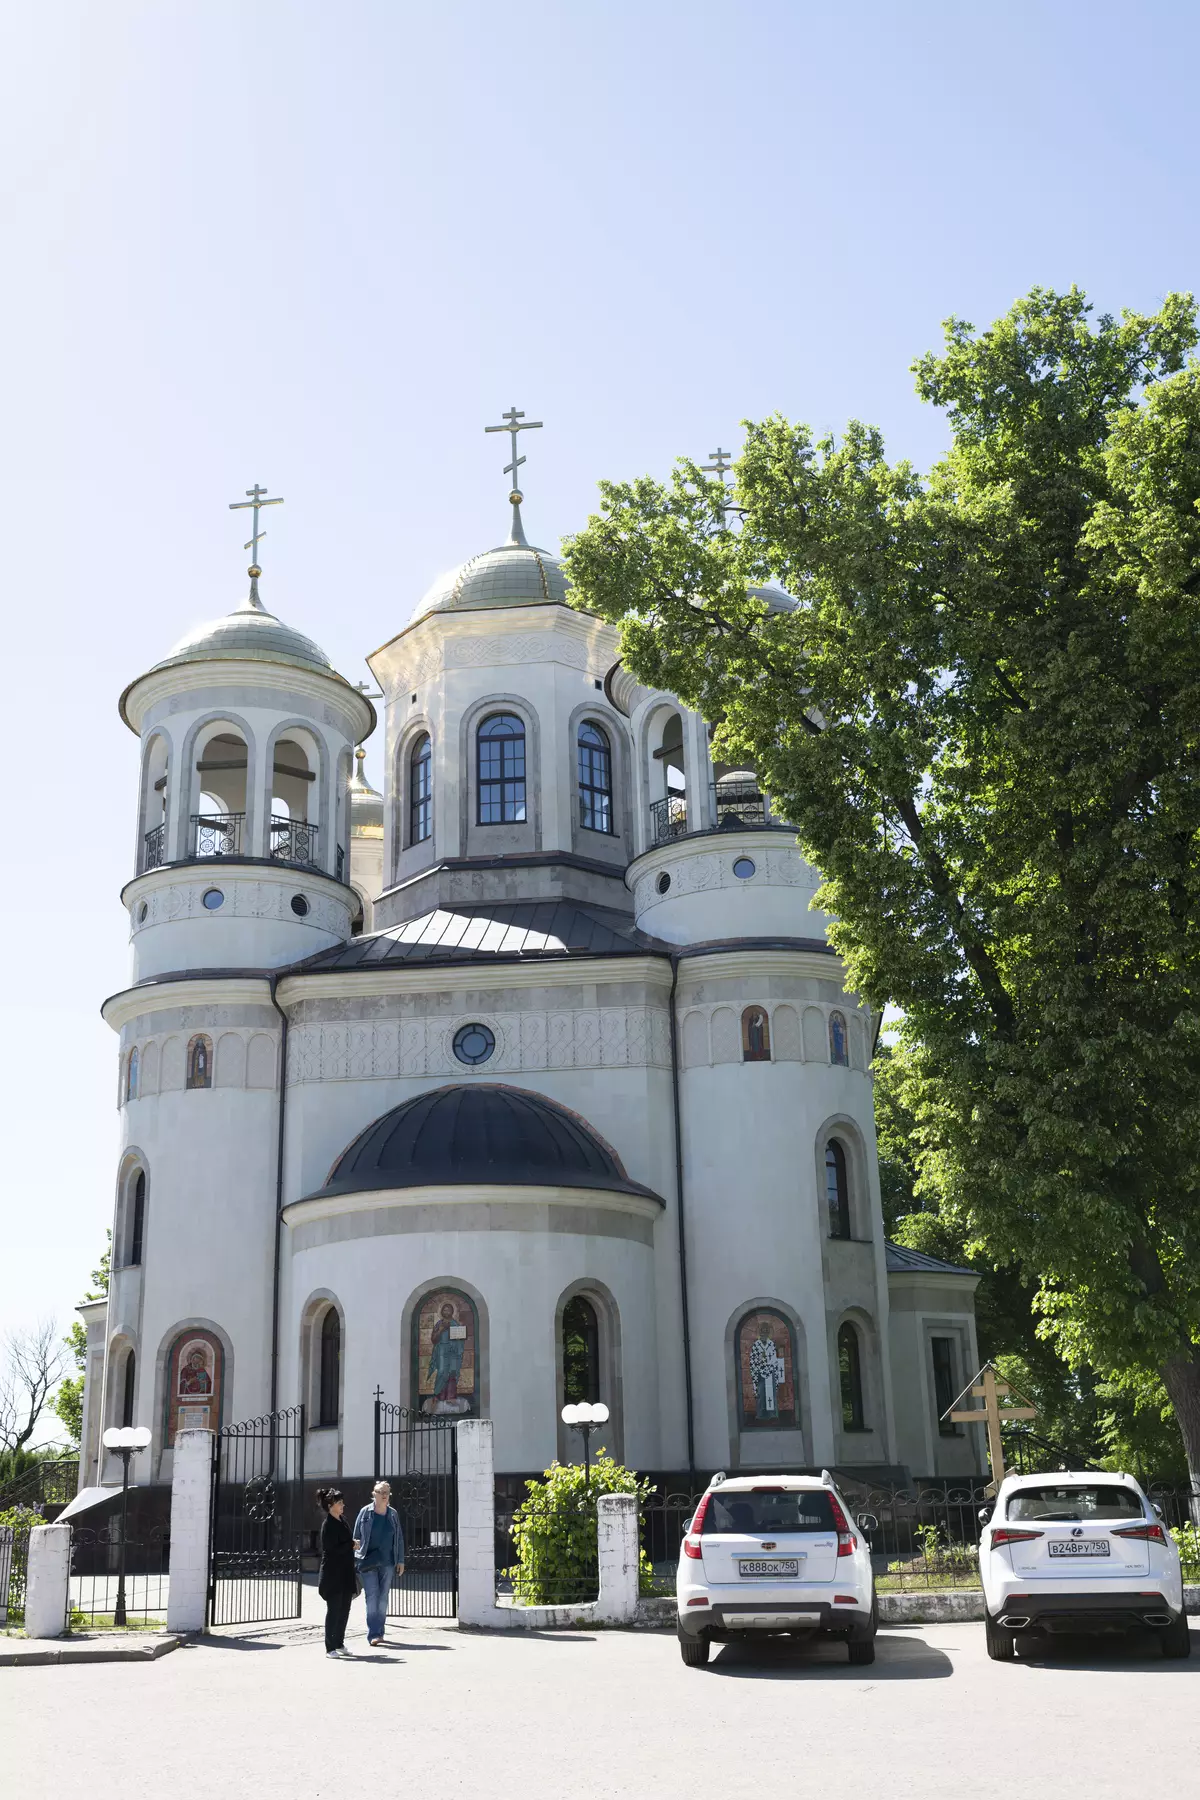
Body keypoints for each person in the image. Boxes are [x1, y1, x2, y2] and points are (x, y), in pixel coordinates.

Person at [352, 1480, 405, 1646]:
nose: (384, 1495)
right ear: (373, 1494)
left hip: (388, 1562)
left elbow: (399, 1538)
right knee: (372, 1596)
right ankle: (373, 1633)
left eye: (386, 1492)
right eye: (380, 1492)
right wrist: (355, 1558)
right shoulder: (365, 1513)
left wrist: (401, 1560)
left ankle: (379, 1631)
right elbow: (356, 1537)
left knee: (383, 1597)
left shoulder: (393, 1514)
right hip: (367, 1562)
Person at [317, 1487, 357, 1659]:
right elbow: (331, 1549)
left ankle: (339, 1642)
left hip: (346, 1571)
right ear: (330, 1505)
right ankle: (329, 1647)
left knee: (345, 1608)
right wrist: (351, 1545)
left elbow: (346, 1542)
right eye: (339, 1503)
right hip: (333, 1574)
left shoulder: (342, 1520)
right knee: (334, 1610)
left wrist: (353, 1543)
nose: (343, 1505)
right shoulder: (328, 1525)